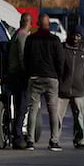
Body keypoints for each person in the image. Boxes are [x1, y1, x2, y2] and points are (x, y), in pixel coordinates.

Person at [22, 13, 66, 151]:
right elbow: (60, 60)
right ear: (48, 24)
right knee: (53, 111)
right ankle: (54, 141)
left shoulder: (30, 39)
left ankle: (30, 141)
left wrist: (29, 74)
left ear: (38, 24)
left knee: (33, 110)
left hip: (35, 77)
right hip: (51, 78)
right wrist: (58, 76)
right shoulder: (55, 40)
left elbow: (25, 59)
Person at [59, 27, 84, 150]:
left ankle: (80, 141)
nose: (75, 38)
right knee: (58, 116)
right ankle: (55, 140)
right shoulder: (62, 49)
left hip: (79, 90)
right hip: (62, 90)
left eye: (78, 36)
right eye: (74, 35)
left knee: (79, 117)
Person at [4, 12, 32, 148]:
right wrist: (27, 73)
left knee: (17, 106)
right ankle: (18, 137)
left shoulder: (15, 34)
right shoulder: (22, 36)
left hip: (12, 74)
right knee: (21, 108)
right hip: (19, 75)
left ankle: (15, 134)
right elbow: (23, 56)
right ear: (29, 23)